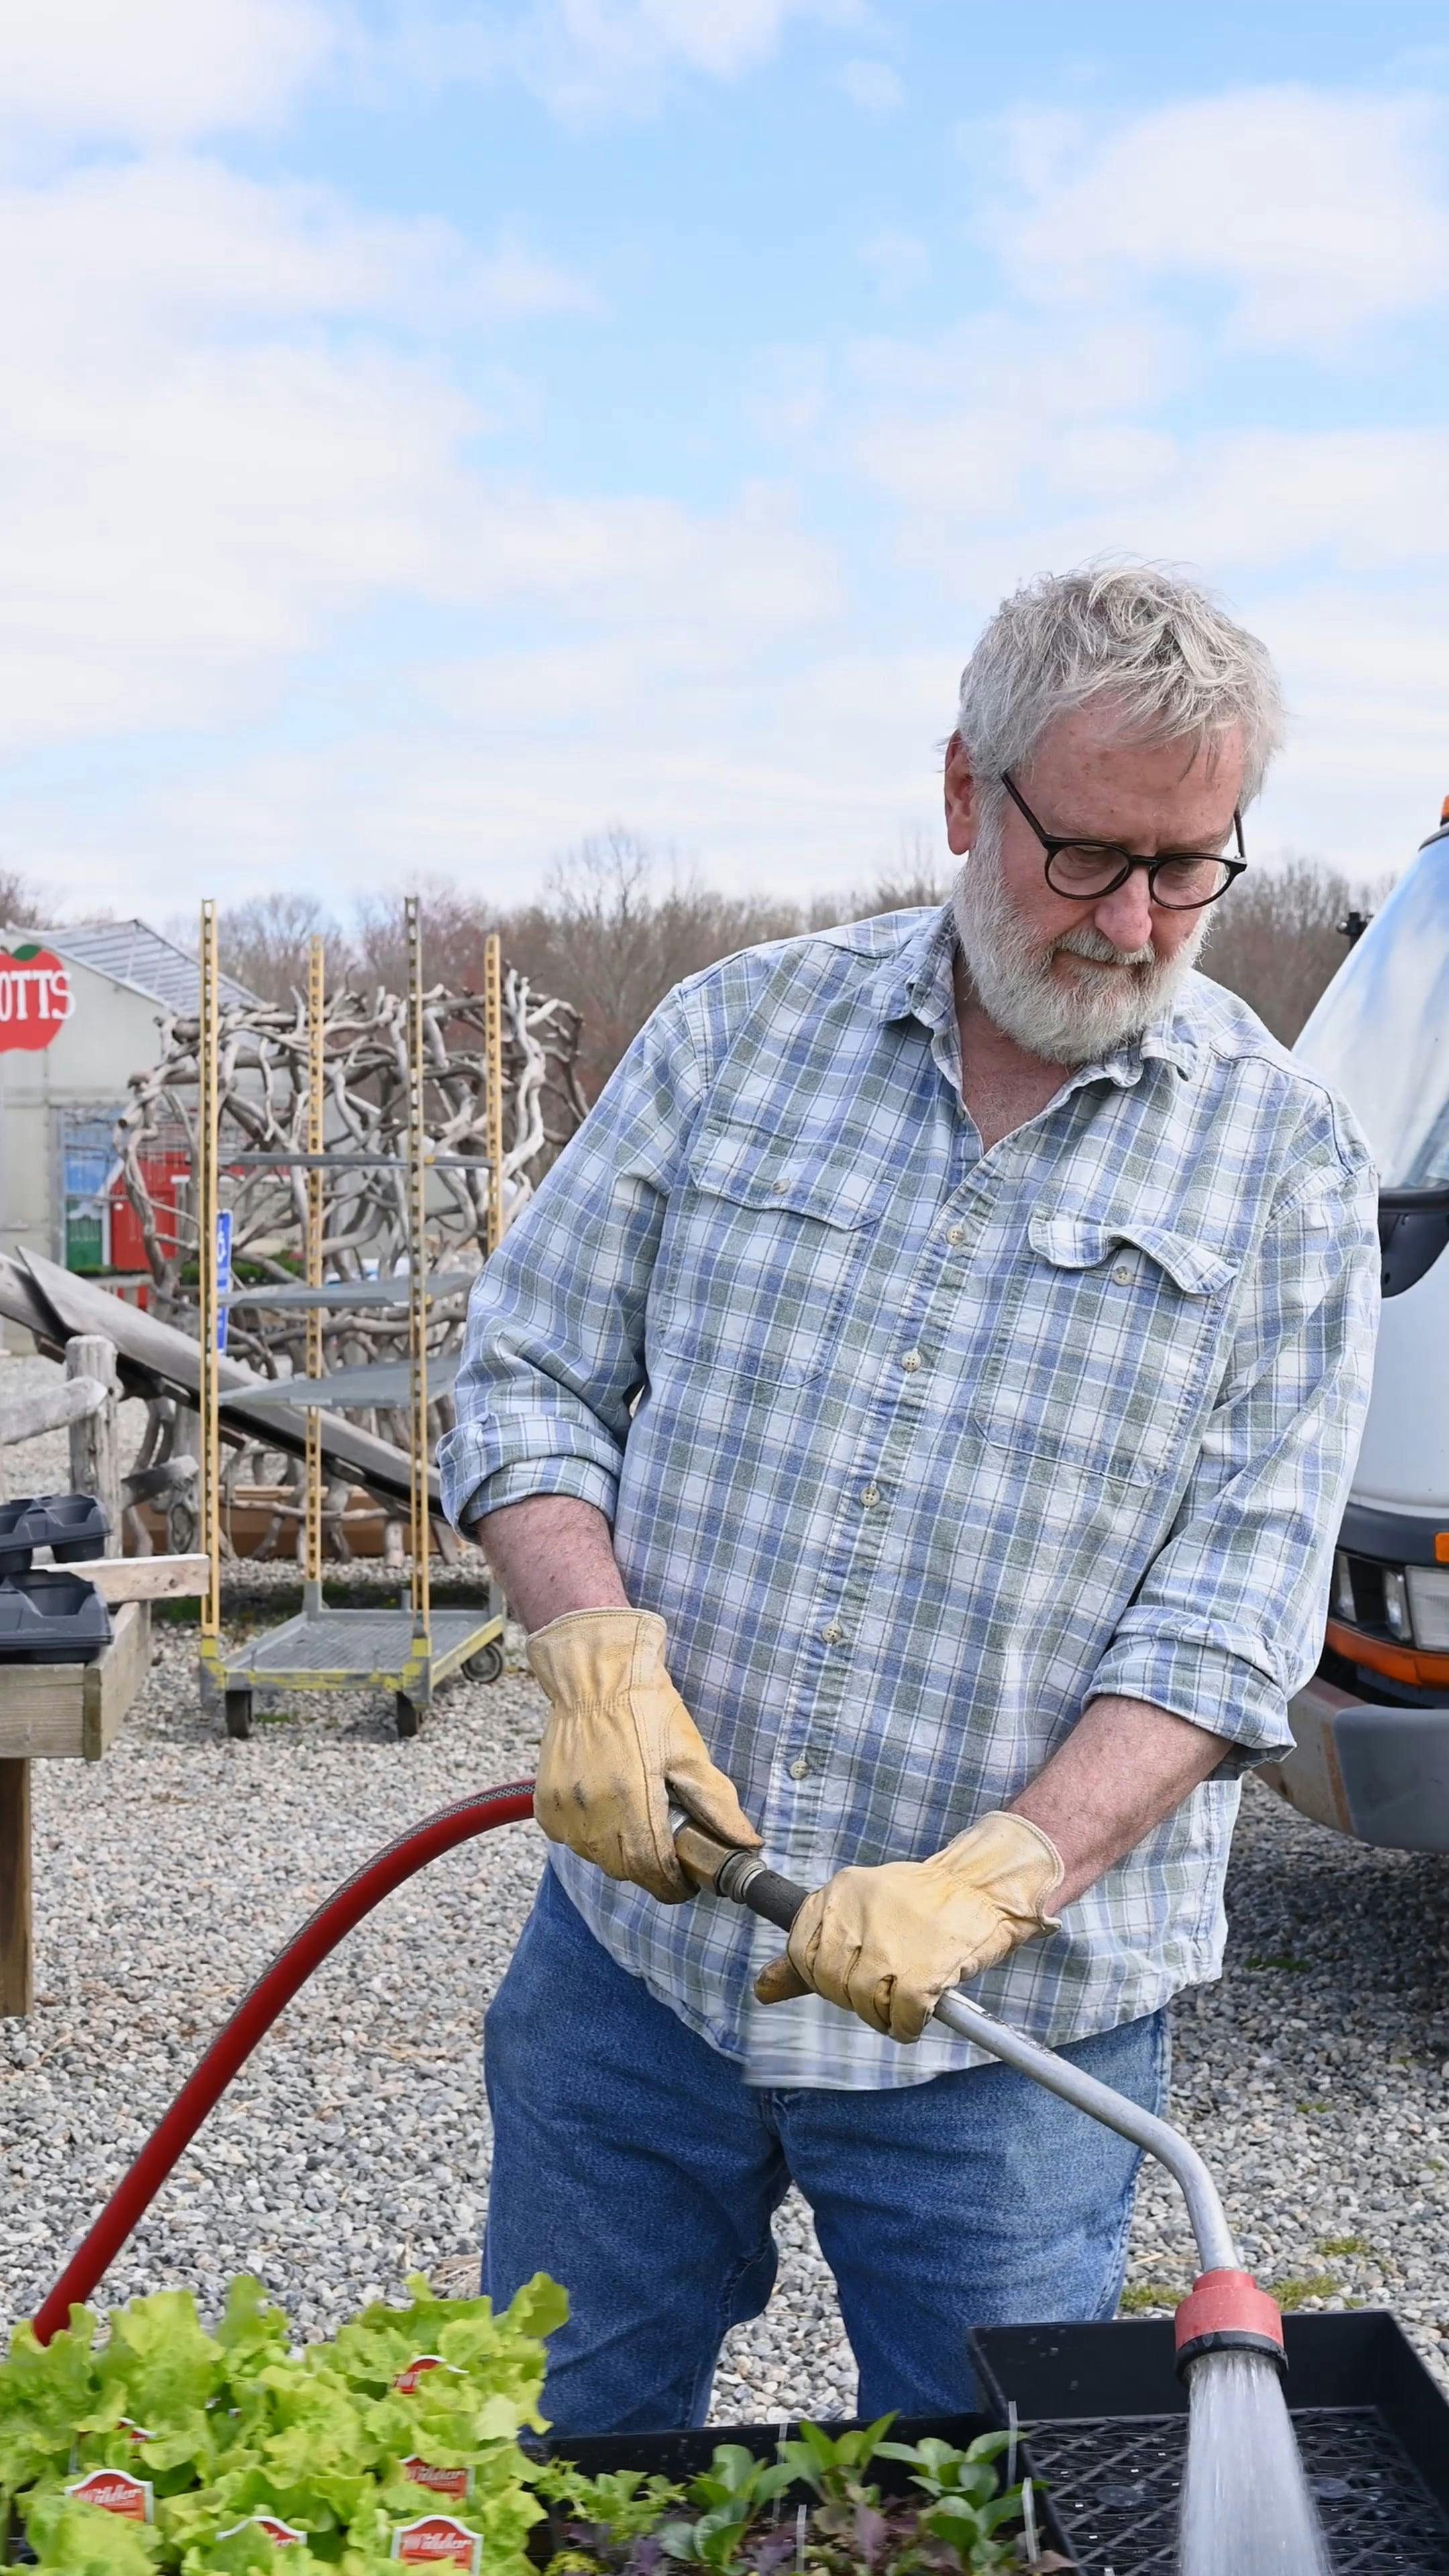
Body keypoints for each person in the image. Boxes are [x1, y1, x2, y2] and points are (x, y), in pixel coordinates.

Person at [439, 562, 1379, 2433]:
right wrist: (593, 1655)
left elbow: (1241, 1606)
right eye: (1089, 855)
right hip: (639, 1977)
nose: (1132, 923)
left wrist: (1011, 1870)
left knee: (983, 2500)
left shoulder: (1287, 1164)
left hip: (1012, 2042)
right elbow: (529, 1373)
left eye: (1189, 869)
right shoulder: (736, 1039)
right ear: (968, 794)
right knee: (558, 2454)